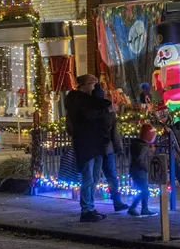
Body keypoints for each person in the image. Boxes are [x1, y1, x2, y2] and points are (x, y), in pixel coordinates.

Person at [62, 74, 112, 221]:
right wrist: (100, 105)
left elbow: (105, 116)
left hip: (97, 142)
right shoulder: (75, 99)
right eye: (91, 84)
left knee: (95, 176)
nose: (93, 87)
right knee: (88, 177)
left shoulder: (94, 101)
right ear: (83, 85)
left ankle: (91, 206)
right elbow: (87, 116)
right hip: (85, 142)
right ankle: (86, 209)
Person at [95, 79, 127, 212]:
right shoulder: (109, 113)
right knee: (111, 176)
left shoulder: (91, 112)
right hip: (106, 148)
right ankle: (117, 201)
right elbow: (115, 133)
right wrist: (119, 148)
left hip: (95, 148)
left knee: (93, 177)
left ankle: (88, 204)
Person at [126, 119, 154, 216]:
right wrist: (148, 168)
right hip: (140, 172)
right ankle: (142, 208)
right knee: (145, 191)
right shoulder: (144, 146)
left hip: (136, 171)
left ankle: (134, 208)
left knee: (143, 191)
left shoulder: (138, 144)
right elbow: (140, 160)